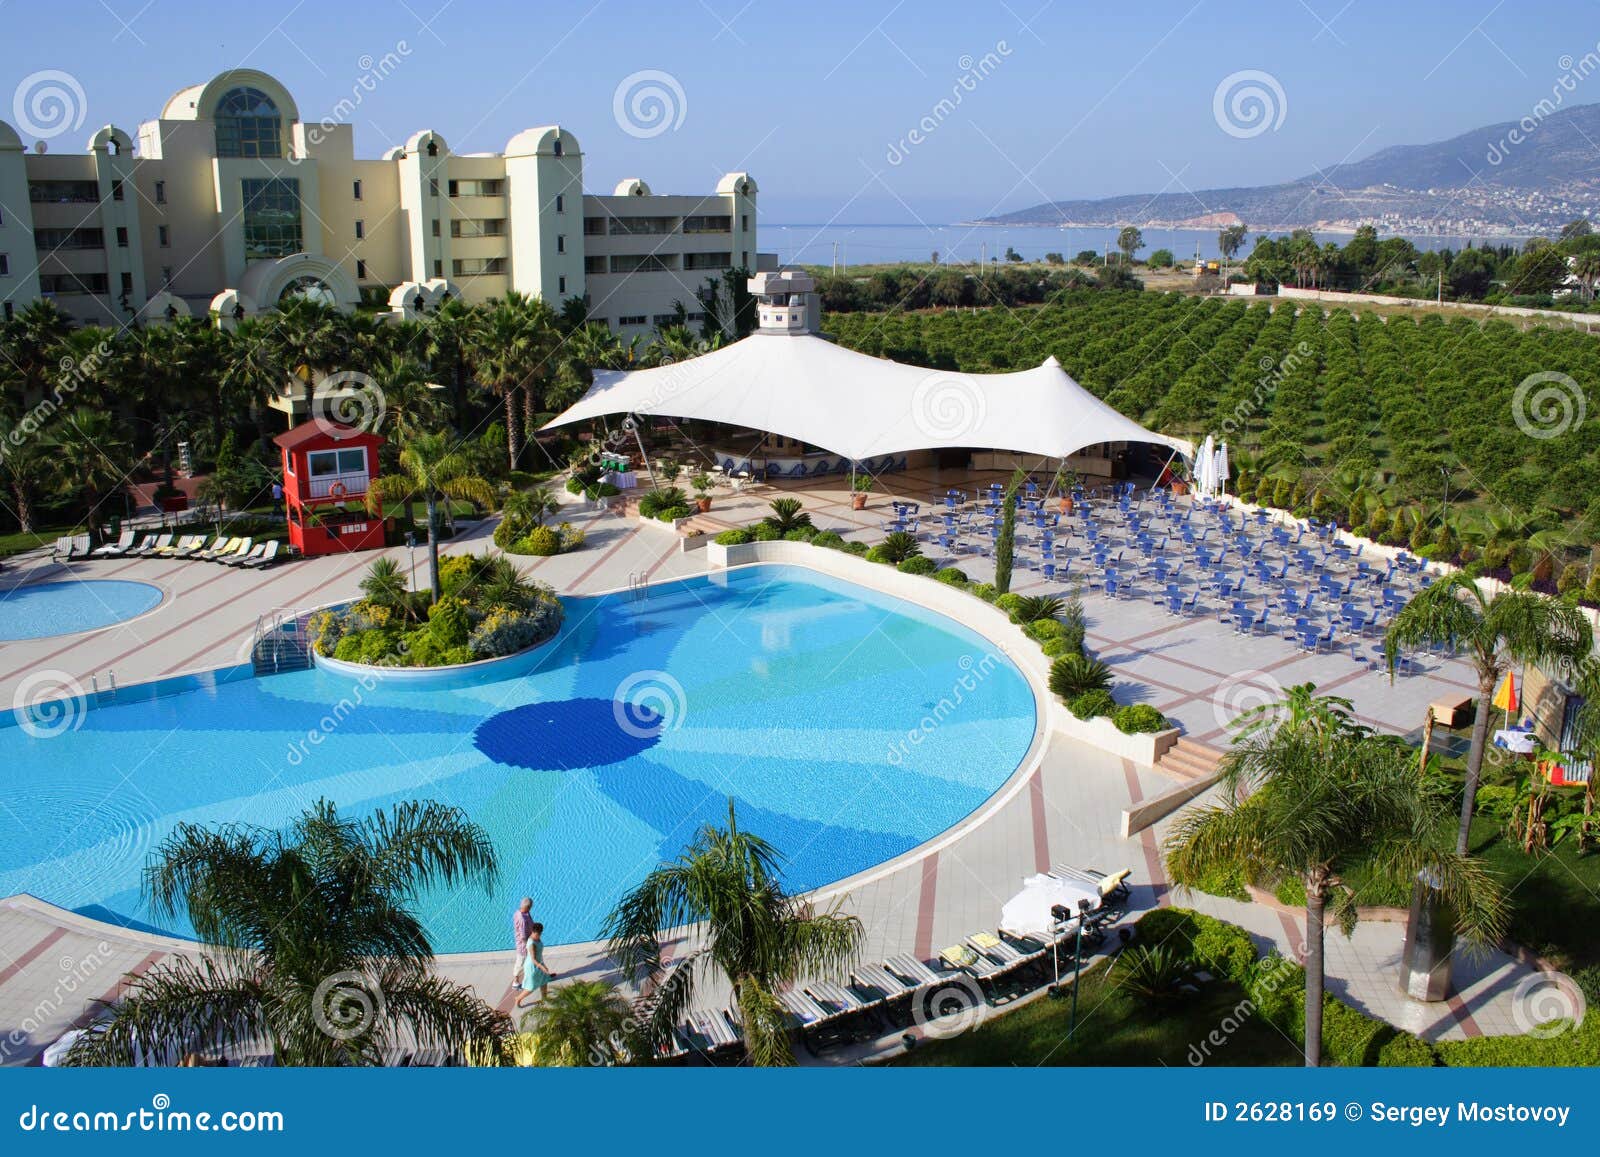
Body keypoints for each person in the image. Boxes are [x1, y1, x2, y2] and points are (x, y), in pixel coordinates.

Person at [517, 923, 555, 1007]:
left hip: (539, 963)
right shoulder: (532, 943)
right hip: (532, 966)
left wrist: (543, 964)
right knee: (531, 987)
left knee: (544, 981)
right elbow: (533, 959)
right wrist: (542, 967)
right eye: (537, 934)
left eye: (540, 934)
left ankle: (544, 999)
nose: (538, 935)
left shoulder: (538, 938)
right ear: (533, 932)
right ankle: (518, 998)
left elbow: (539, 955)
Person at [511, 898, 534, 986]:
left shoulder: (522, 912)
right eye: (530, 907)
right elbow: (523, 936)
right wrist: (528, 945)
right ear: (528, 907)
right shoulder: (522, 919)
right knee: (521, 962)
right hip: (523, 945)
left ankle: (538, 975)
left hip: (528, 941)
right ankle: (515, 981)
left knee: (532, 959)